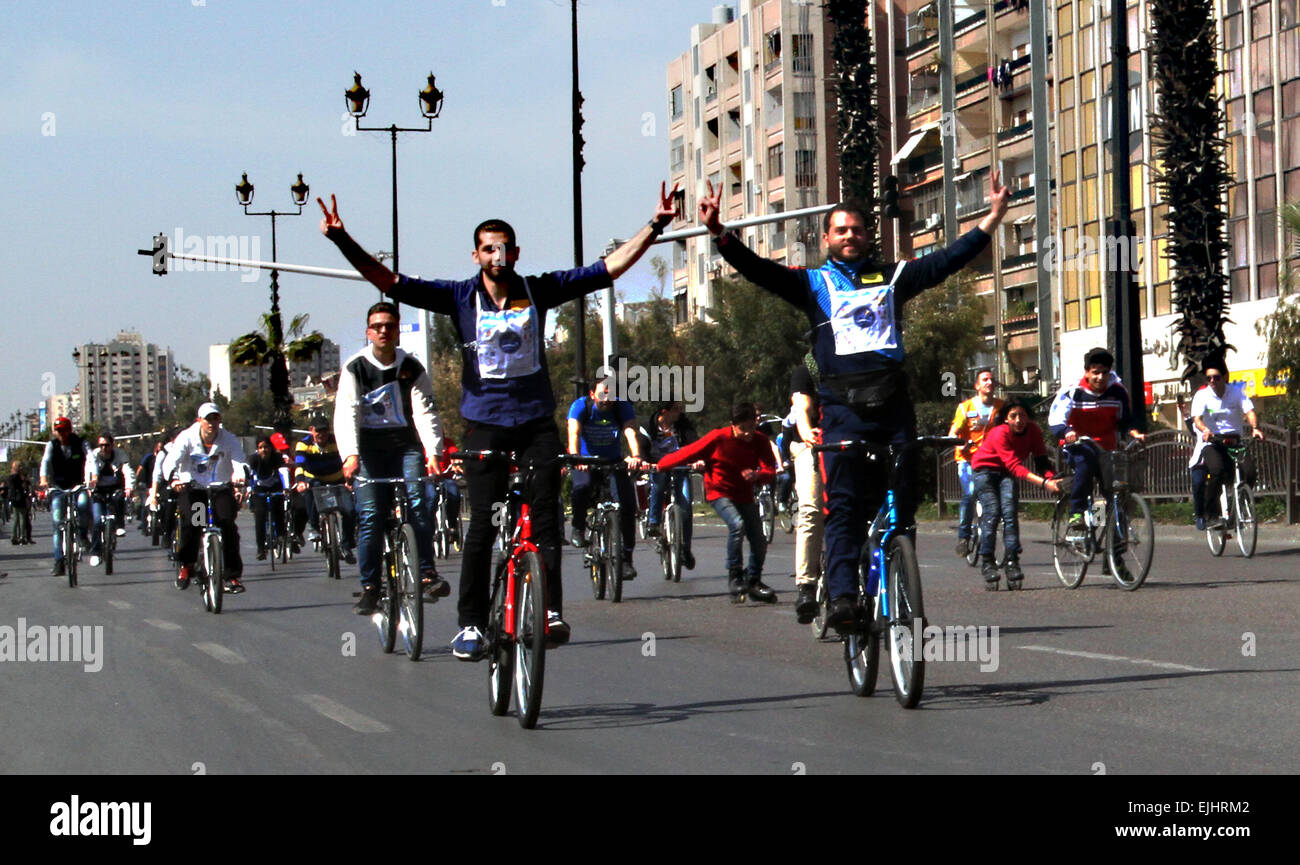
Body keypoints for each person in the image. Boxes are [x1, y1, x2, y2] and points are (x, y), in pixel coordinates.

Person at [317, 181, 677, 659]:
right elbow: (391, 283)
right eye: (488, 249)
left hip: (534, 424)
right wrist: (341, 238)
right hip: (483, 425)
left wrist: (655, 225)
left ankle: (549, 612)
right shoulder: (459, 297)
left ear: (516, 252)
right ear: (476, 255)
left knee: (545, 520)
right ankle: (469, 625)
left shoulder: (538, 289)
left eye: (503, 248)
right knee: (483, 525)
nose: (496, 256)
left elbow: (607, 268)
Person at [699, 172, 1009, 629]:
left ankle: (899, 575)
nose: (850, 236)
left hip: (893, 405)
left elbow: (945, 261)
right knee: (842, 507)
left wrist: (994, 218)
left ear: (868, 237)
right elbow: (760, 271)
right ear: (826, 238)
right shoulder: (814, 283)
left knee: (903, 502)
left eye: (858, 229)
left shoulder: (894, 276)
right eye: (841, 230)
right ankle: (842, 597)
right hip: (842, 410)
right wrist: (720, 236)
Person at [334, 302, 445, 615]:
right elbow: (347, 413)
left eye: (390, 326)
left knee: (419, 501)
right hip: (367, 448)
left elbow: (425, 411)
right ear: (369, 332)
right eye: (377, 326)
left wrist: (433, 452)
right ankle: (370, 586)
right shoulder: (355, 367)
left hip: (404, 445)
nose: (384, 331)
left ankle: (426, 573)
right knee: (370, 514)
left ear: (397, 330)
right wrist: (350, 456)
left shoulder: (412, 367)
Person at [657, 403, 778, 603]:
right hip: (719, 493)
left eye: (751, 427)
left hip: (744, 495)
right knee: (737, 525)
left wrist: (758, 476)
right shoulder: (718, 437)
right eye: (743, 429)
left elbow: (769, 471)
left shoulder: (760, 441)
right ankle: (735, 576)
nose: (748, 433)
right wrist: (661, 465)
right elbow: (689, 452)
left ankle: (754, 580)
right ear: (732, 425)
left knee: (759, 538)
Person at [1048, 347, 1145, 535]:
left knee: (1114, 494)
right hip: (1078, 444)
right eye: (1095, 373)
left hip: (1107, 447)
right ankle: (1076, 513)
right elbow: (1055, 419)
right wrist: (1067, 431)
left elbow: (1125, 420)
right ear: (1087, 372)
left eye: (1105, 373)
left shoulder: (1118, 391)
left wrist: (1134, 433)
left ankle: (1112, 552)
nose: (1100, 377)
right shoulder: (1073, 390)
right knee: (1085, 466)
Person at [968, 400, 1062, 589]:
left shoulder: (1034, 430)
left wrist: (1051, 477)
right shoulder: (999, 433)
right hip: (984, 470)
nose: (1018, 420)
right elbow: (1014, 466)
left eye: (1022, 415)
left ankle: (1012, 561)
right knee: (992, 513)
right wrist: (1044, 483)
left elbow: (1041, 459)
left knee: (1010, 514)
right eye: (1013, 416)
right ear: (1005, 419)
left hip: (1005, 474)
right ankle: (987, 562)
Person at [162, 404, 249, 593]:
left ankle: (232, 576)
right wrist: (173, 478)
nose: (212, 423)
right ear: (199, 421)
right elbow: (171, 460)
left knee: (227, 524)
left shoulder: (228, 439)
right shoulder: (187, 437)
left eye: (215, 418)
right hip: (193, 487)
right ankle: (187, 565)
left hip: (220, 486)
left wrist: (240, 477)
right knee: (194, 523)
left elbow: (239, 461)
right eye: (208, 419)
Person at [568, 377, 644, 578]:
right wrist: (576, 458)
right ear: (592, 394)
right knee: (582, 487)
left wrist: (636, 456)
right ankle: (577, 527)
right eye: (603, 394)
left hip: (613, 461)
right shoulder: (580, 406)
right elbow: (574, 433)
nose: (607, 399)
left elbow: (630, 431)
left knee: (627, 506)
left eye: (611, 394)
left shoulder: (621, 407)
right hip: (585, 460)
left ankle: (626, 559)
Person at [1187, 355, 1263, 530]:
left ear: (1225, 377)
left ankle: (1239, 501)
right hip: (1213, 442)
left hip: (1234, 441)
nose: (1212, 381)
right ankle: (1211, 514)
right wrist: (1205, 429)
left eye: (1216, 377)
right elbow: (1196, 419)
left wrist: (1255, 427)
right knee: (1216, 470)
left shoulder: (1236, 393)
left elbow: (1249, 411)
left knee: (1250, 472)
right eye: (1209, 378)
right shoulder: (1202, 395)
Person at [949, 368, 1005, 557]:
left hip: (990, 460)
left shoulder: (1001, 407)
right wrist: (961, 444)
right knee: (971, 492)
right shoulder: (965, 408)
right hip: (967, 459)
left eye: (992, 379)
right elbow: (952, 433)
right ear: (977, 385)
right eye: (985, 379)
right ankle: (964, 537)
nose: (989, 382)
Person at [786, 362, 826, 623]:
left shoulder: (858, 361)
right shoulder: (807, 370)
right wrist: (806, 431)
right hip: (807, 441)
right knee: (811, 510)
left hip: (846, 438)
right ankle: (806, 586)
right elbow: (802, 407)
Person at [294, 415, 357, 564]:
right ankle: (314, 527)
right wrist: (300, 482)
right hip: (315, 480)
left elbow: (349, 460)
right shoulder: (303, 444)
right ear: (311, 430)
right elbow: (300, 466)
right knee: (311, 489)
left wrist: (350, 481)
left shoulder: (337, 442)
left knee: (350, 511)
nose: (322, 435)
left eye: (325, 431)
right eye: (318, 431)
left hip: (338, 479)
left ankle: (347, 545)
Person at [646, 401, 700, 569]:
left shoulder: (682, 423)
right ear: (664, 411)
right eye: (676, 409)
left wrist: (698, 459)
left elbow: (694, 442)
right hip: (658, 465)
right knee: (659, 483)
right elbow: (641, 446)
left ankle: (685, 549)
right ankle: (654, 522)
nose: (680, 412)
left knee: (685, 504)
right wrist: (643, 461)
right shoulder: (649, 425)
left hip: (680, 465)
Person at [39, 416, 91, 577]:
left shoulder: (81, 443)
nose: (61, 434)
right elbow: (45, 462)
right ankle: (58, 561)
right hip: (58, 487)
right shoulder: (51, 445)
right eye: (58, 430)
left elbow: (91, 459)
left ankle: (82, 535)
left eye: (64, 430)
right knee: (57, 524)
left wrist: (93, 476)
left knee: (83, 505)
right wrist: (43, 479)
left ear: (70, 430)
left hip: (77, 485)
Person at [84, 432, 135, 567]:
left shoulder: (120, 455)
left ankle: (119, 525)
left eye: (107, 445)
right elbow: (89, 470)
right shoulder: (93, 455)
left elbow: (128, 471)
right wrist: (89, 487)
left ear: (112, 445)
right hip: (98, 491)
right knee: (96, 521)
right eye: (101, 445)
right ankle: (95, 552)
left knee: (119, 498)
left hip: (115, 488)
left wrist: (129, 488)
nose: (104, 448)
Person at [246, 436, 290, 561]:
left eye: (266, 447)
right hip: (259, 489)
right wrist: (248, 489)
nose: (264, 450)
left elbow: (283, 471)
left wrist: (286, 487)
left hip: (275, 487)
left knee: (279, 509)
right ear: (257, 449)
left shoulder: (277, 457)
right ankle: (261, 549)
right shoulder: (254, 459)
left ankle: (281, 534)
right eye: (260, 448)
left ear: (271, 448)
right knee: (259, 515)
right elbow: (249, 475)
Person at [7, 462, 33, 545]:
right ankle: (22, 537)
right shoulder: (18, 477)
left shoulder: (10, 477)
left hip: (13, 498)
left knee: (15, 519)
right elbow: (23, 486)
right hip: (20, 498)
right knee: (22, 518)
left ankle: (13, 536)